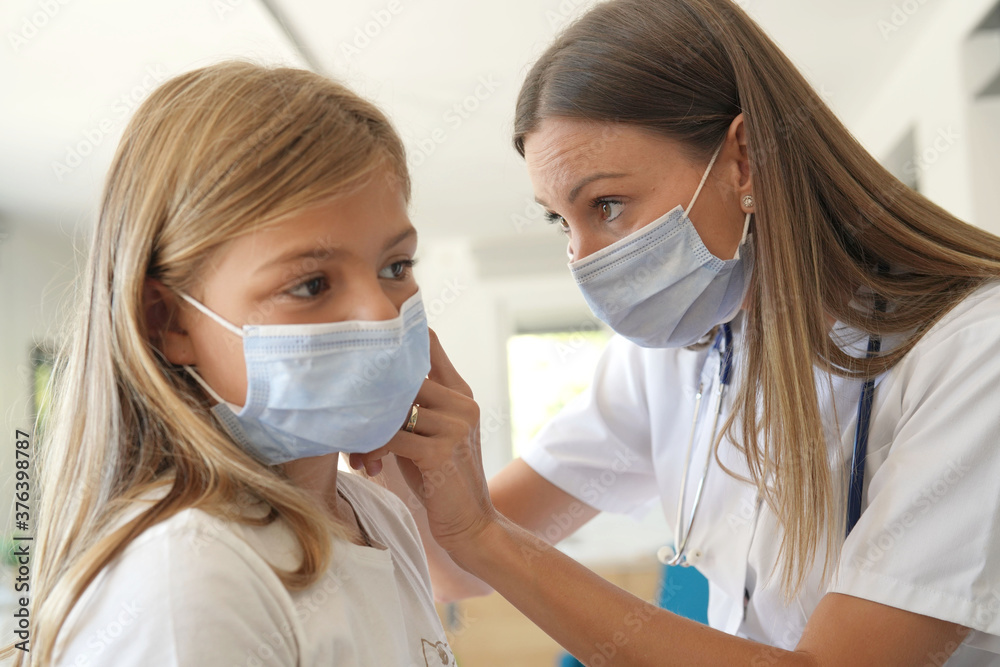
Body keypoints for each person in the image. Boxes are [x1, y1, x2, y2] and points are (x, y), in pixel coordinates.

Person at [358, 0, 1000, 664]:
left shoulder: (974, 351)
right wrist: (392, 422)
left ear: (744, 160)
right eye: (561, 222)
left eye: (608, 205)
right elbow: (452, 567)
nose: (583, 259)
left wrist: (485, 536)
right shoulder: (674, 355)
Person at [1, 61, 457, 667]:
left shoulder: (381, 516)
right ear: (168, 321)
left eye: (395, 267)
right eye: (311, 284)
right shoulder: (187, 575)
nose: (380, 313)